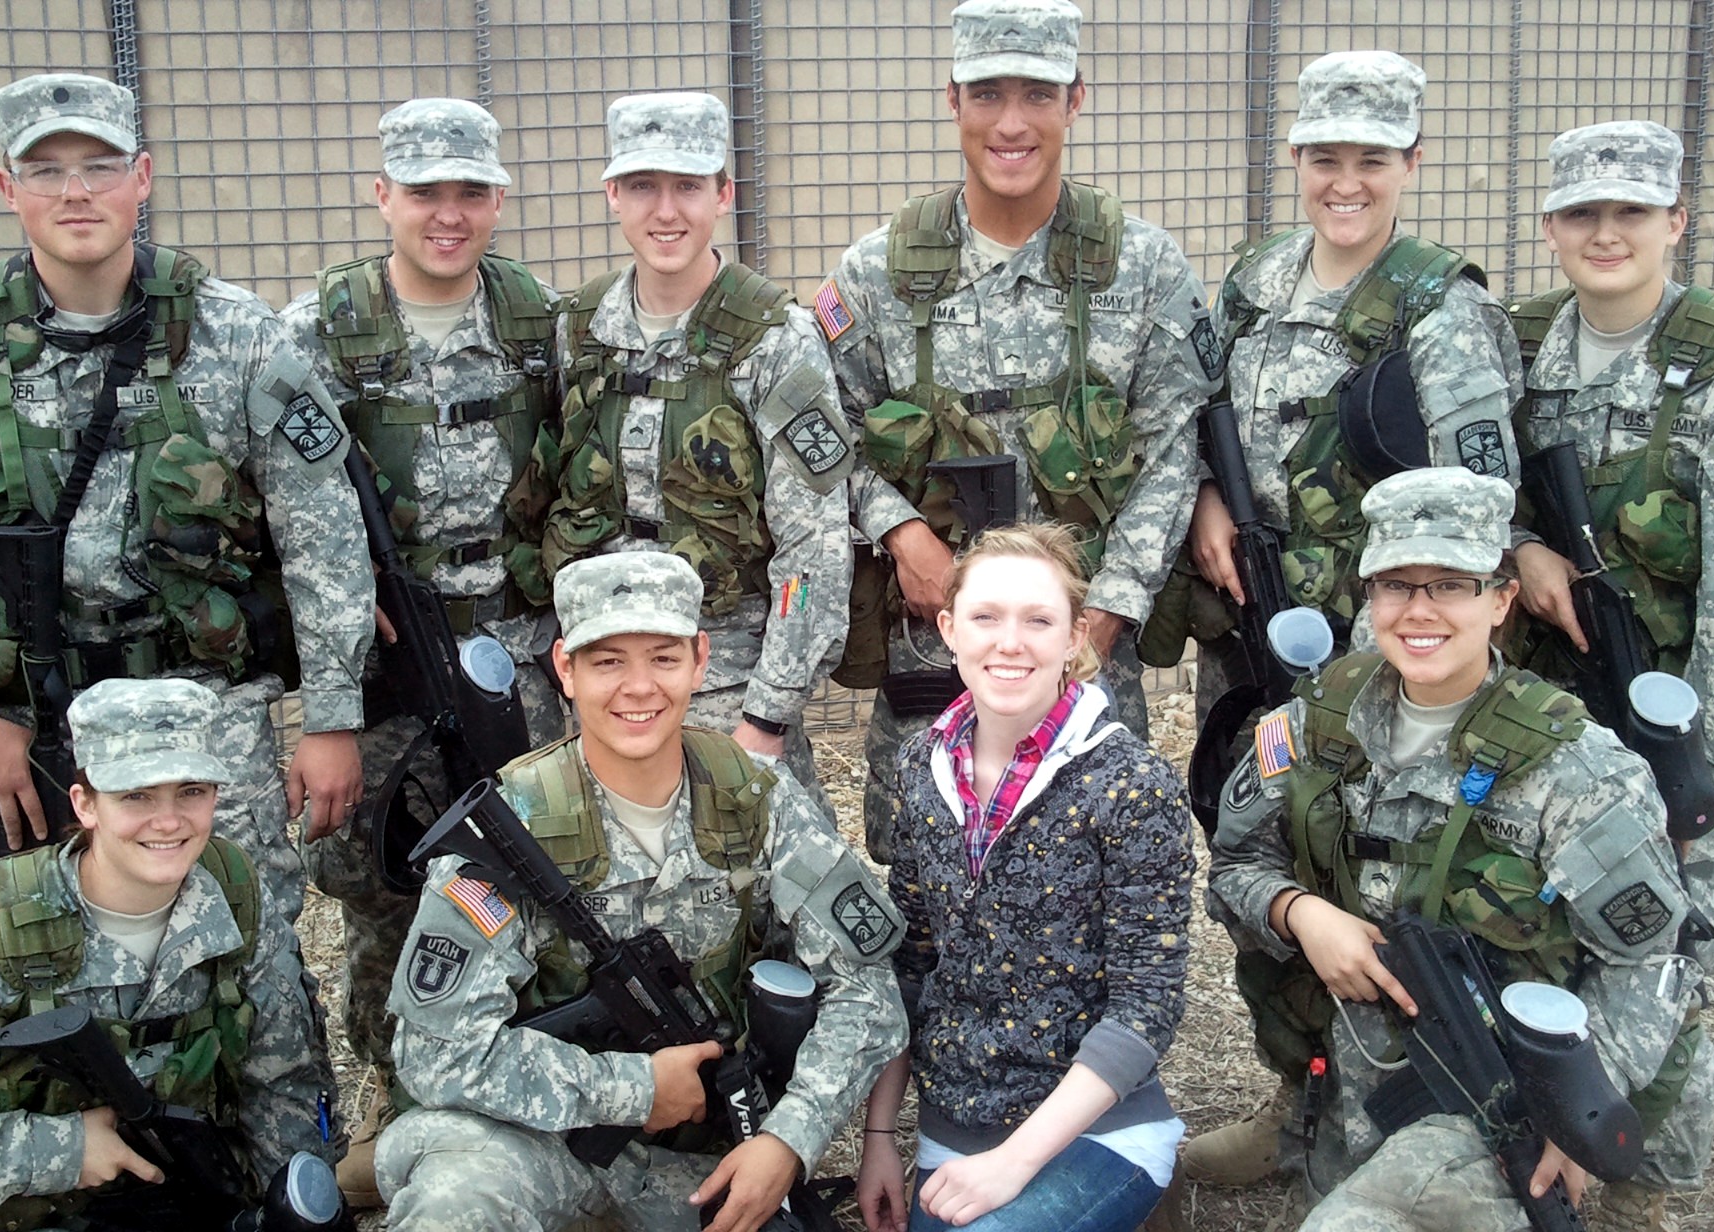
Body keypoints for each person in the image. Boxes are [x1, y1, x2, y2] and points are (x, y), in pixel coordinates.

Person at [0, 73, 373, 924]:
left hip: (206, 719)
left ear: (143, 178)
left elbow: (324, 535)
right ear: (8, 188)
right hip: (23, 725)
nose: (76, 191)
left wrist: (333, 717)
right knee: (22, 955)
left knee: (244, 942)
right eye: (45, 169)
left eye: (100, 165)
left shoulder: (235, 335)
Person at [1175, 49, 1525, 1186]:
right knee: (1260, 844)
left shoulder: (1439, 305)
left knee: (1378, 869)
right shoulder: (1253, 282)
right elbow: (1199, 415)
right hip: (1250, 628)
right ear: (1295, 161)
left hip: (1385, 650)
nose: (1344, 181)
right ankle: (1295, 1099)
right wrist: (1210, 499)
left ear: (1407, 164)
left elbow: (1483, 497)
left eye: (1369, 160)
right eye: (1324, 158)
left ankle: (1399, 1110)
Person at [1205, 467, 1698, 1229]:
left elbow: (1650, 962)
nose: (1418, 610)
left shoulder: (1578, 769)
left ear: (1500, 600)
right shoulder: (1314, 721)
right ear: (1368, 599)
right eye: (1396, 585)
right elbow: (1235, 864)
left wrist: (1579, 1113)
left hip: (1508, 1078)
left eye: (1451, 585)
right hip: (1361, 1061)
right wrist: (1297, 911)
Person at [375, 552, 907, 1231]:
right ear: (564, 668)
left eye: (662, 658)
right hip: (538, 1147)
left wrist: (789, 1140)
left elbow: (867, 987)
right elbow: (434, 1050)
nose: (638, 687)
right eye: (607, 662)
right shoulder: (512, 831)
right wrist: (634, 1090)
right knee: (456, 1203)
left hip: (704, 1167)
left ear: (700, 660)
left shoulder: (756, 801)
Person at [1505, 120, 1714, 1230]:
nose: (1604, 234)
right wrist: (1519, 549)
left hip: (1676, 696)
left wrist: (1690, 766)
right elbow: (1468, 490)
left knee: (1672, 927)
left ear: (1673, 221)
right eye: (1581, 213)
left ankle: (1646, 1138)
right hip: (1549, 701)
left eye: (1629, 213)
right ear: (1549, 227)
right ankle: (1548, 1122)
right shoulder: (1519, 344)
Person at [818, 0, 1218, 864]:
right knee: (921, 857)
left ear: (1076, 100)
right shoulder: (880, 272)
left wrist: (1106, 615)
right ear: (951, 100)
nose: (1011, 122)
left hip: (1082, 644)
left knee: (1096, 856)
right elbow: (828, 439)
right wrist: (902, 532)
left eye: (1036, 94)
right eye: (987, 93)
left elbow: (1172, 450)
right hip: (935, 639)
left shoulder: (1142, 266)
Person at [281, 96, 568, 1207]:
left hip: (513, 652)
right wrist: (331, 696)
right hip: (387, 667)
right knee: (382, 890)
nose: (448, 215)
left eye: (470, 192)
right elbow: (288, 513)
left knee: (525, 872)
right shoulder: (316, 331)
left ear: (497, 199)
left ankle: (513, 1085)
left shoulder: (537, 319)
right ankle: (395, 1101)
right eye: (425, 192)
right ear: (382, 195)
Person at [0, 677, 341, 1231]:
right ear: (86, 804)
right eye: (136, 796)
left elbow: (284, 1085)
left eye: (191, 791)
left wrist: (287, 1211)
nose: (168, 821)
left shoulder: (238, 906)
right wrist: (59, 1151)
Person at [514, 90, 856, 800]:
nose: (665, 212)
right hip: (601, 674)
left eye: (687, 187)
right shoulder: (581, 329)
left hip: (725, 674)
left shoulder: (774, 340)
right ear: (612, 193)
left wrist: (767, 714)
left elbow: (813, 548)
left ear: (724, 193)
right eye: (643, 186)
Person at [855, 522, 1195, 1232]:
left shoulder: (1130, 783)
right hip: (954, 1123)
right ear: (949, 629)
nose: (1010, 642)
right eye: (986, 617)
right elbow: (909, 962)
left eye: (1039, 620)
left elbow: (1147, 1003)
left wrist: (1014, 1164)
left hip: (1092, 1129)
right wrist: (880, 1137)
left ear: (1075, 636)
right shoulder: (921, 765)